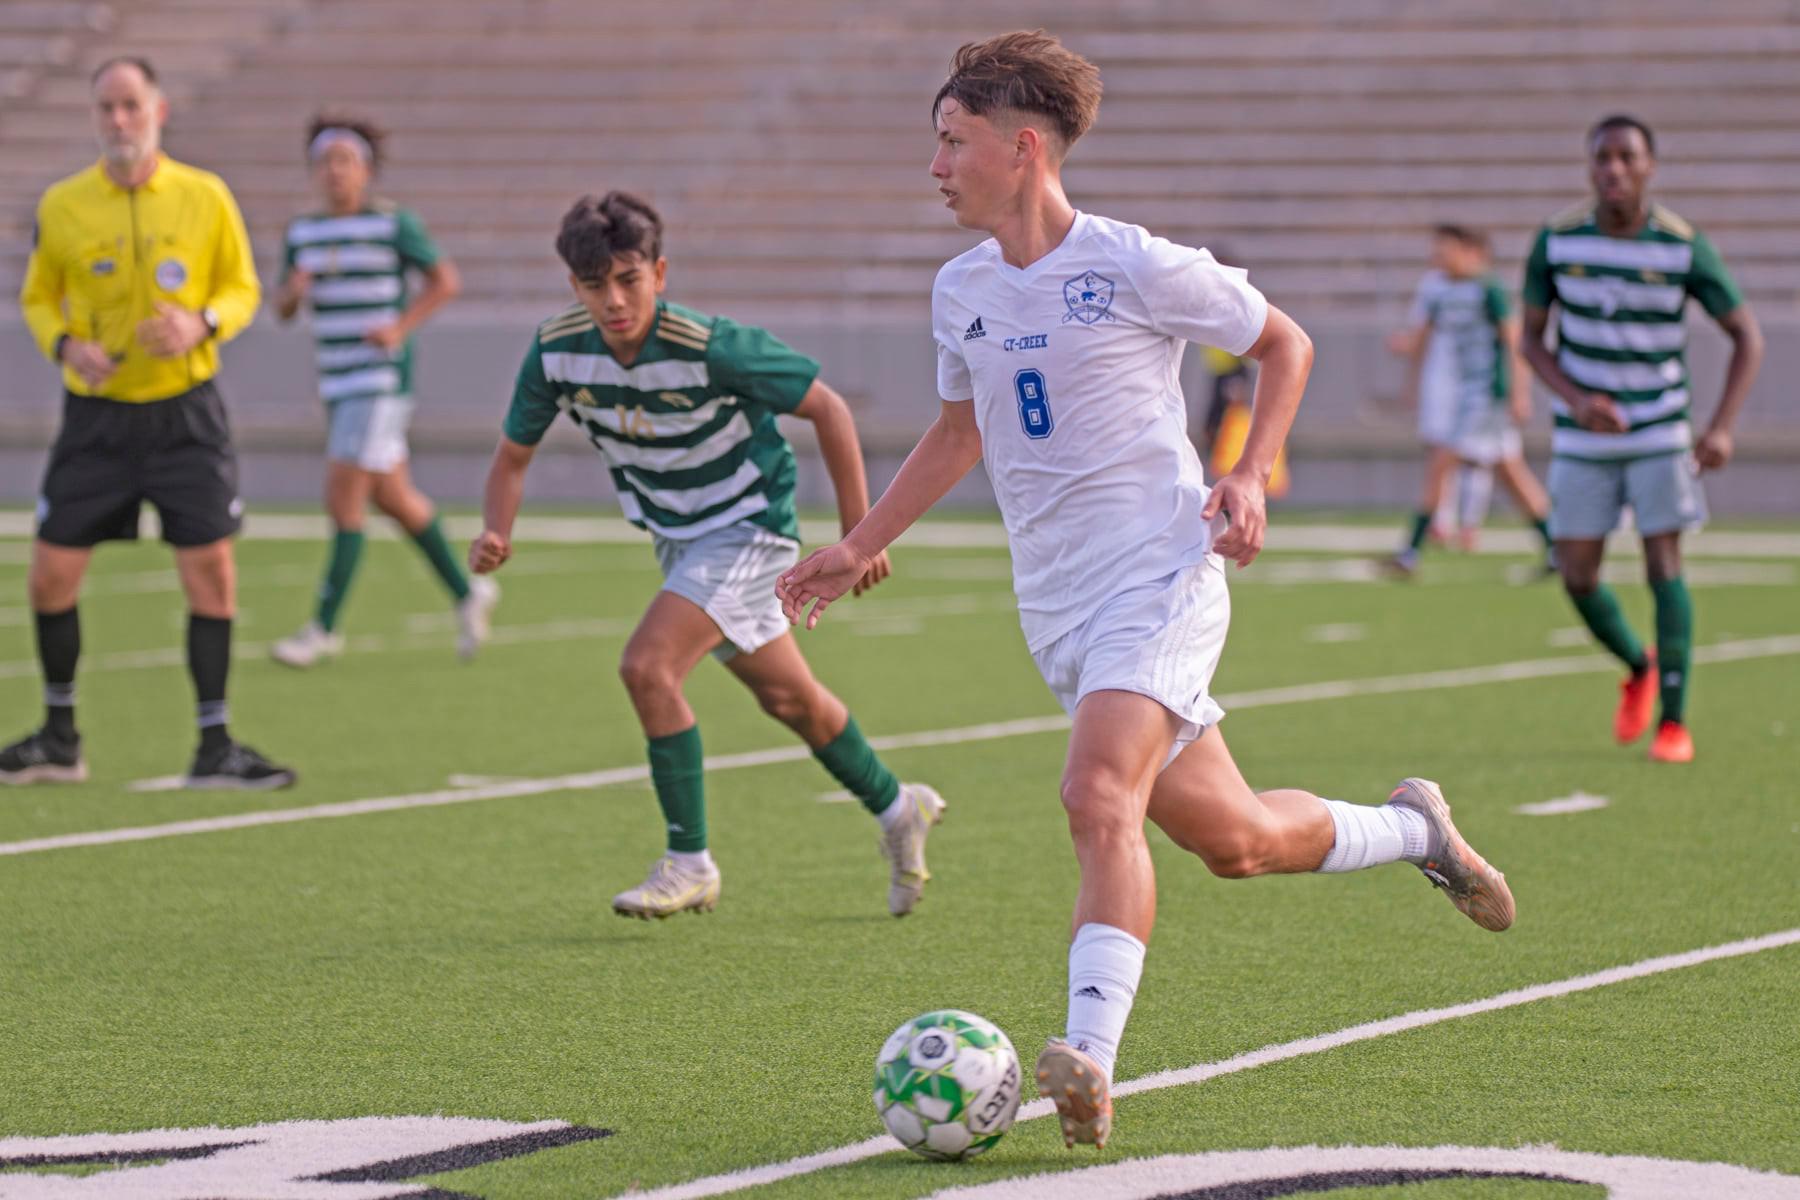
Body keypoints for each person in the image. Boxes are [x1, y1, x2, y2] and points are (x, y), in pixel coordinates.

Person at [777, 31, 1514, 1150]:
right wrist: (861, 540)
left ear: (1022, 149)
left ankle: (1090, 1055)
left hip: (1161, 575)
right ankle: (1416, 832)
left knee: (1092, 798)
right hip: (1060, 610)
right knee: (1238, 842)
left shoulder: (1134, 263)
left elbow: (1286, 344)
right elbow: (956, 432)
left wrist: (1249, 474)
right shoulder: (960, 288)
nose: (933, 165)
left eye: (950, 141)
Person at [469, 192, 944, 919]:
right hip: (678, 540)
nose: (615, 300)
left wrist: (858, 536)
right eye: (595, 286)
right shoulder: (557, 351)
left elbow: (829, 409)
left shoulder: (710, 345)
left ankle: (688, 862)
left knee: (647, 667)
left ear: (660, 272)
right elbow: (510, 457)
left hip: (749, 528)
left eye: (629, 280)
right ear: (574, 286)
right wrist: (497, 529)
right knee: (791, 701)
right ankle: (895, 807)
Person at [2, 56, 294, 789]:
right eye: (106, 107)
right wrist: (65, 344)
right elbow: (39, 297)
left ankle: (214, 745)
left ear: (158, 110)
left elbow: (243, 287)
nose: (119, 121)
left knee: (211, 574)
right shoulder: (65, 204)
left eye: (131, 105)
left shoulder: (204, 196)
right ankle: (60, 738)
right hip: (96, 419)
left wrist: (202, 323)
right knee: (50, 576)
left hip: (184, 414)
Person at [1520, 115, 1764, 764]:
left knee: (1664, 565)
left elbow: (1747, 337)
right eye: (1603, 157)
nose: (1614, 170)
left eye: (1628, 157)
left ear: (1651, 166)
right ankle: (1638, 664)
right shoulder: (1558, 240)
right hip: (1582, 436)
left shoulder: (1683, 245)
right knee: (1576, 575)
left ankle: (1674, 724)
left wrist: (1720, 428)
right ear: (1589, 166)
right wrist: (1577, 399)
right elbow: (1530, 340)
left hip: (1660, 429)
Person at [268, 112, 496, 668]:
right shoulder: (303, 233)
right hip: (337, 380)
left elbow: (445, 280)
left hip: (380, 381)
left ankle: (323, 627)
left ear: (365, 170)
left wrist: (400, 326)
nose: (334, 173)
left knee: (342, 494)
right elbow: (280, 309)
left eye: (344, 162)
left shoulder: (394, 224)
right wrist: (294, 294)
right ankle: (469, 593)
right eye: (324, 163)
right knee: (394, 498)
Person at [1389, 225, 1553, 575]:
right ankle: (1557, 549)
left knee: (1442, 464)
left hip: (1486, 397)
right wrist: (1406, 358)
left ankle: (1409, 553)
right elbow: (1422, 339)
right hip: (1464, 398)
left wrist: (1519, 393)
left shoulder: (1489, 289)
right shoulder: (1440, 290)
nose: (1438, 258)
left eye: (1446, 250)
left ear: (1470, 251)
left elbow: (1514, 343)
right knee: (1510, 473)